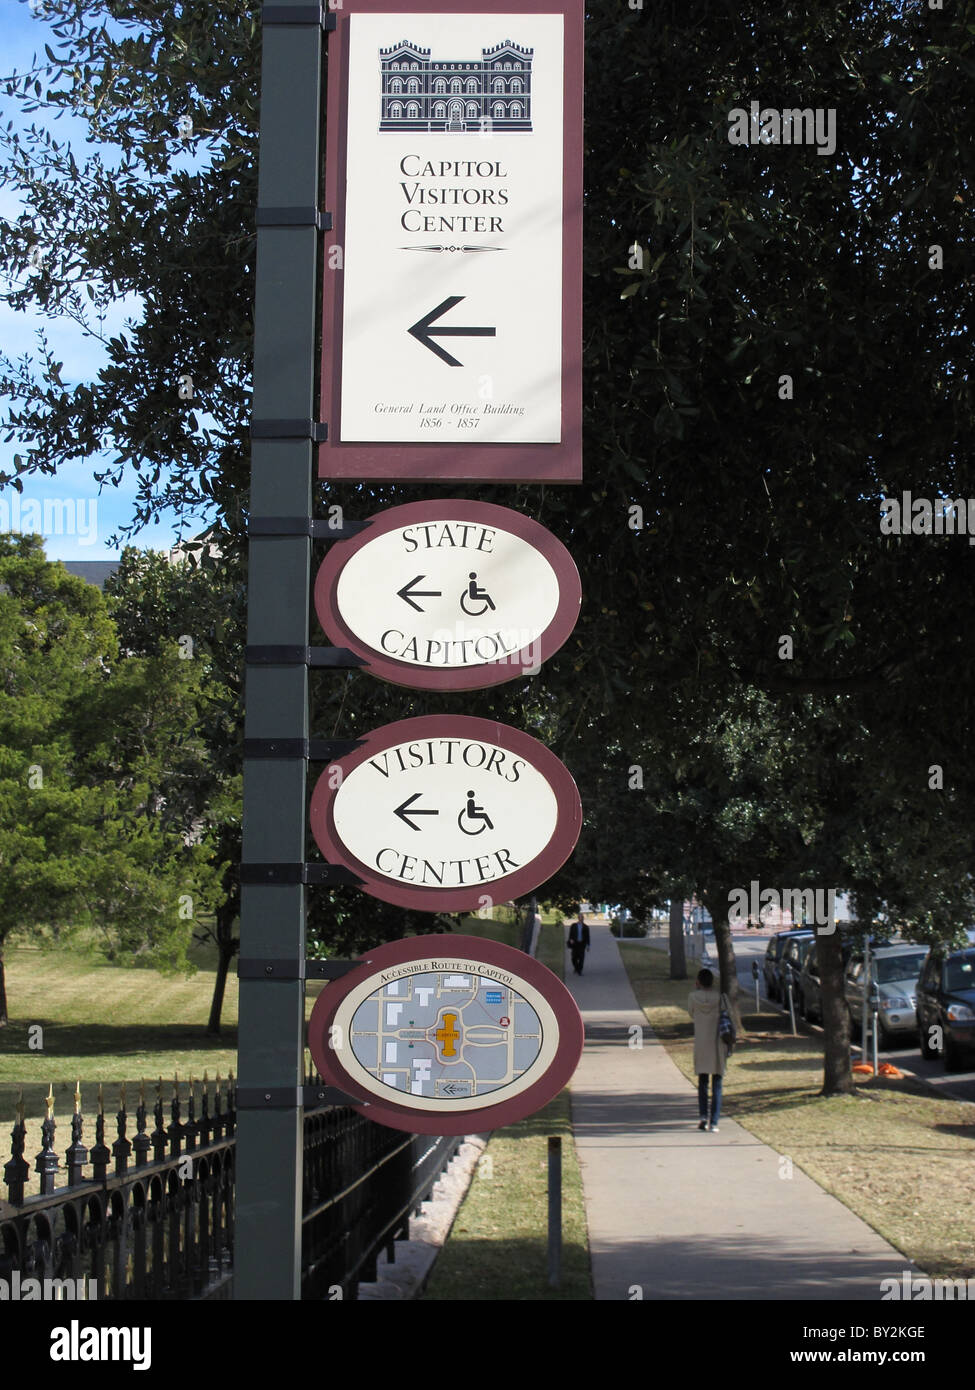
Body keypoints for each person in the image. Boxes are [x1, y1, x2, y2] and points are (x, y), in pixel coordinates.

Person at [687, 967, 729, 1132]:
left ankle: (703, 1117)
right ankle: (715, 1122)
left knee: (703, 1082)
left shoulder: (693, 997)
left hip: (701, 1044)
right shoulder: (719, 998)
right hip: (717, 1043)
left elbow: (691, 1013)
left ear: (698, 982)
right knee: (717, 1083)